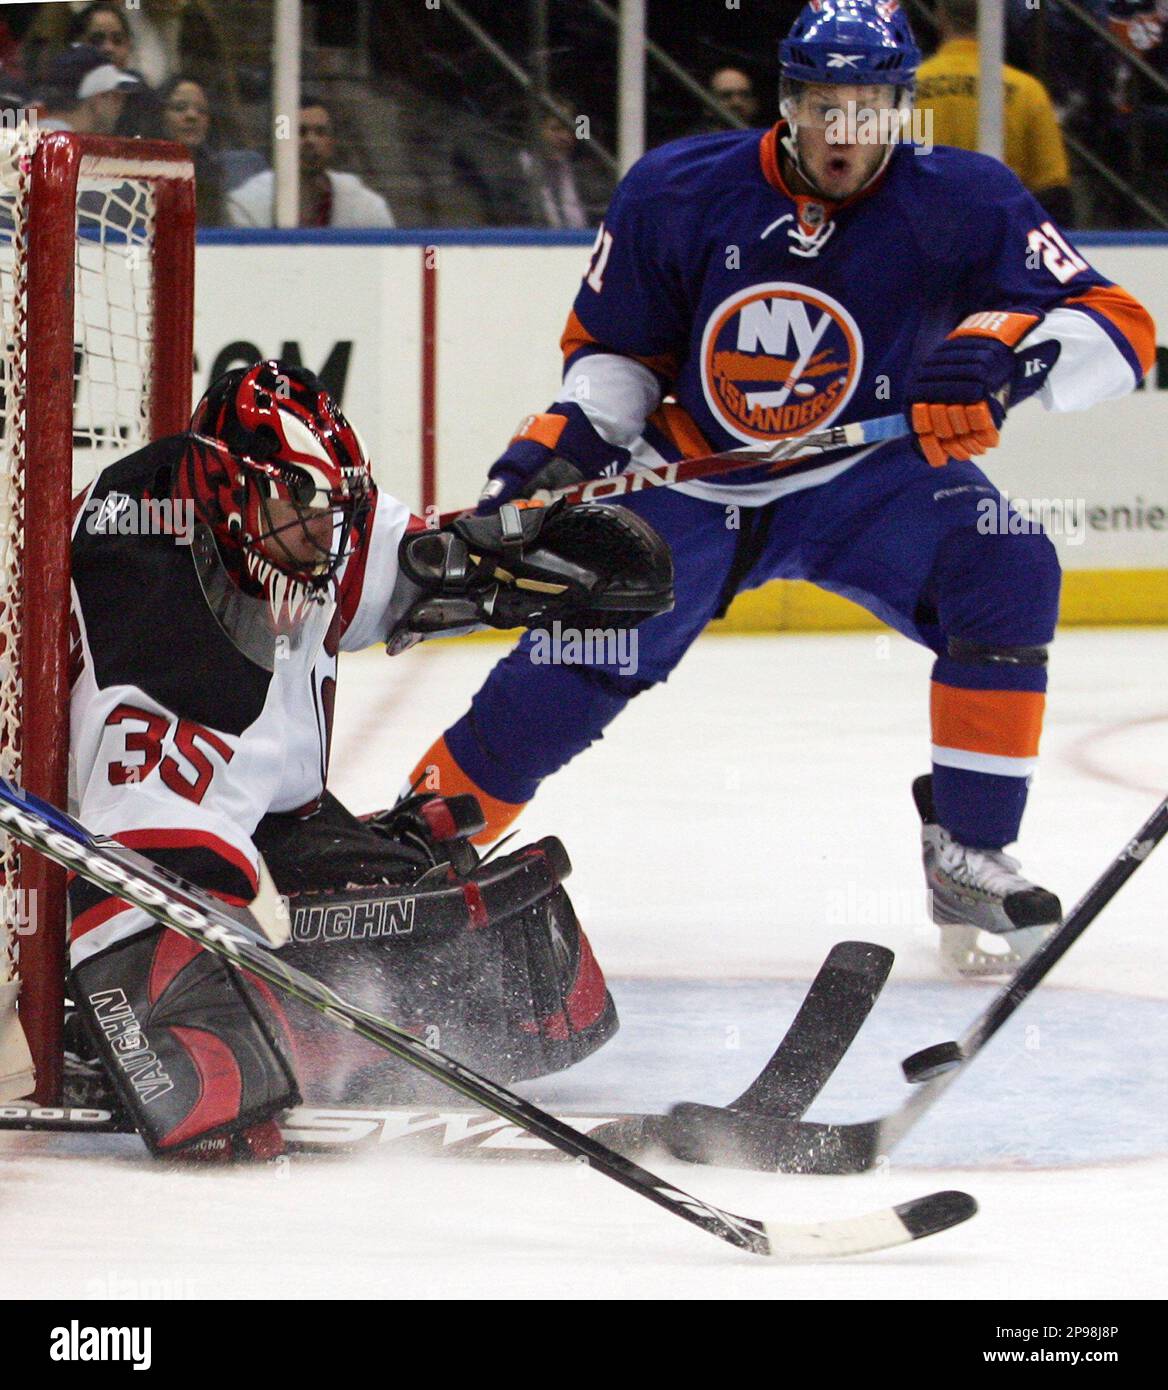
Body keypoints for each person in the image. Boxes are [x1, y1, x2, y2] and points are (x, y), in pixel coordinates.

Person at [406, 0, 1155, 981]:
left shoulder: (964, 201)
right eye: (821, 104)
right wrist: (568, 446)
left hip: (868, 485)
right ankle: (411, 860)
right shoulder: (678, 189)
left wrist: (1002, 363)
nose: (842, 131)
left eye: (867, 106)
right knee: (564, 675)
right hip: (700, 480)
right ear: (786, 100)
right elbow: (618, 353)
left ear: (902, 106)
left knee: (1003, 563)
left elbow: (1120, 329)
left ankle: (970, 849)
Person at [65, 361, 672, 1158]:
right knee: (203, 998)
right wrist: (180, 1035)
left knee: (508, 943)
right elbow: (133, 857)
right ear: (224, 493)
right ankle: (110, 1039)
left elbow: (408, 561)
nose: (325, 540)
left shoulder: (277, 514)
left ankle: (317, 1036)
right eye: (305, 514)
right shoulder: (151, 594)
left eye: (333, 513)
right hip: (176, 835)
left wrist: (526, 564)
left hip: (276, 822)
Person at [915, 0, 1074, 225]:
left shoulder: (905, 89)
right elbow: (1053, 191)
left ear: (940, 17)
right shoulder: (1026, 91)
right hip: (1003, 233)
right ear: (997, 17)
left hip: (922, 230)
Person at [228, 96, 395, 229]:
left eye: (321, 132)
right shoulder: (248, 203)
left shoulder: (364, 205)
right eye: (300, 131)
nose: (311, 140)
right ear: (280, 141)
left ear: (332, 143)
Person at [157, 74, 265, 225]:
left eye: (201, 110)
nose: (192, 116)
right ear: (160, 115)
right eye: (180, 108)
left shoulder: (219, 175)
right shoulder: (138, 173)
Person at [66, 1, 164, 138]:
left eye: (117, 41)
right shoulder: (50, 95)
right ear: (75, 46)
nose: (108, 49)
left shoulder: (144, 98)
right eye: (96, 40)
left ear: (128, 47)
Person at [34, 42, 142, 135]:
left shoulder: (25, 139)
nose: (119, 107)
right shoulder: (71, 151)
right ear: (100, 97)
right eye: (116, 97)